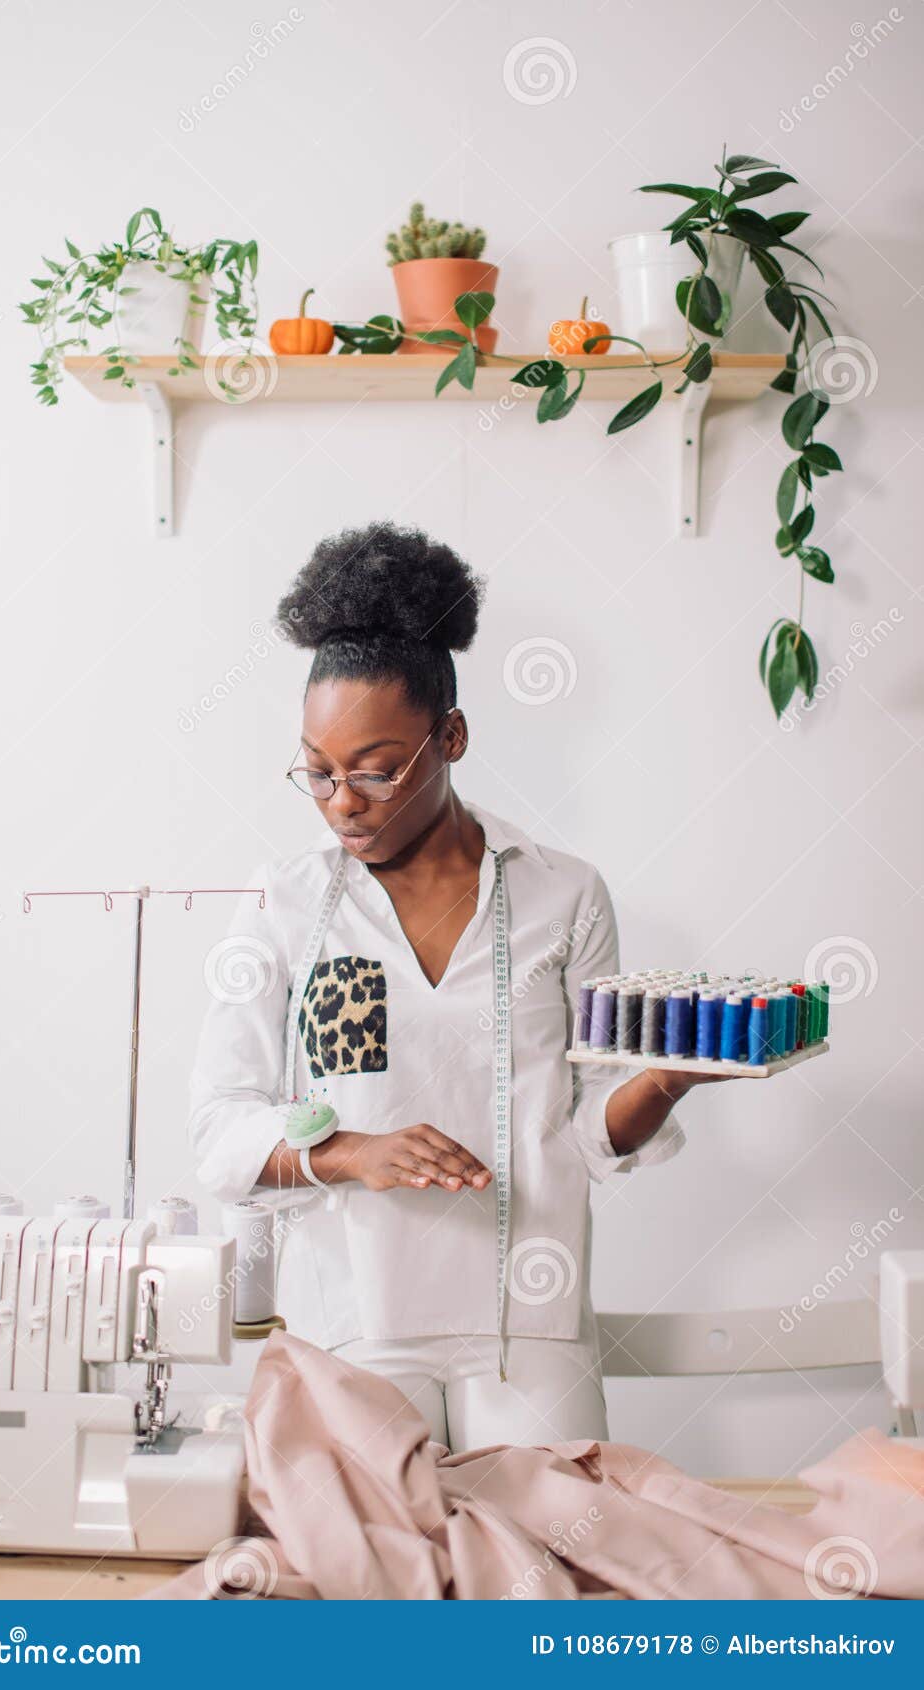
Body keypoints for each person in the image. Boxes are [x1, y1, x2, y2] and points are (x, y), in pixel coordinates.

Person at [189, 522, 707, 1453]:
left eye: (377, 770)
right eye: (318, 771)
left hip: (527, 1315)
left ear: (451, 737)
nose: (343, 799)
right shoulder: (285, 902)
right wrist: (351, 1152)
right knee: (374, 1580)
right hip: (355, 1308)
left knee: (543, 1574)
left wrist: (668, 1076)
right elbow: (218, 1127)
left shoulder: (563, 894)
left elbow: (592, 1128)